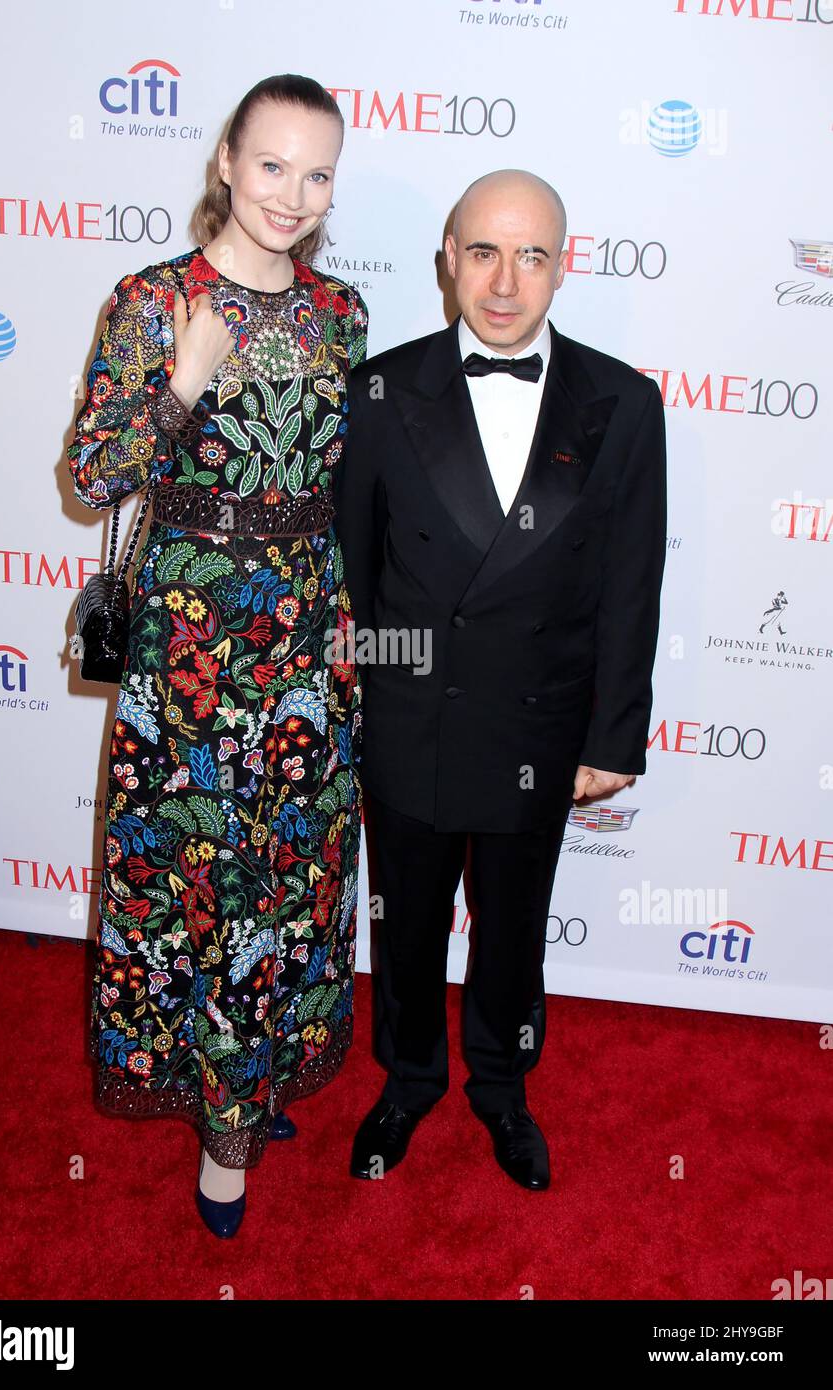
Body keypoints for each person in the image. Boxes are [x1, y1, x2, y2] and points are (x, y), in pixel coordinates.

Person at [67, 74, 368, 1237]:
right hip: (187, 645)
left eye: (317, 171)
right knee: (196, 880)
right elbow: (94, 476)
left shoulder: (340, 313)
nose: (292, 194)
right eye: (272, 165)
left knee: (291, 877)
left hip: (304, 634)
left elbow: (351, 487)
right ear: (226, 166)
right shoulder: (151, 299)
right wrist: (182, 382)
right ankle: (220, 1134)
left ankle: (250, 1080)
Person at [335, 169, 666, 1192]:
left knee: (514, 927)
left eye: (531, 255)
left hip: (539, 726)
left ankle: (500, 1085)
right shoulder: (381, 390)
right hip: (414, 720)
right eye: (484, 251)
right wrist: (378, 692)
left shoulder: (622, 402)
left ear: (563, 265)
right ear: (447, 256)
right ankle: (407, 1078)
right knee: (406, 919)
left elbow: (631, 579)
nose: (506, 281)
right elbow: (358, 576)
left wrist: (612, 738)